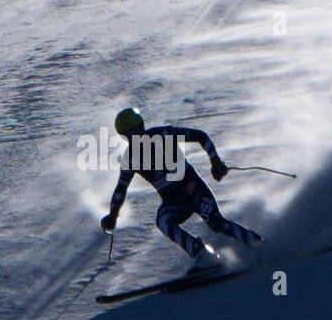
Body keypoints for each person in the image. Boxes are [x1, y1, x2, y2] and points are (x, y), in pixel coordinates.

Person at [100, 108, 262, 270]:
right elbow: (121, 188)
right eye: (127, 135)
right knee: (163, 220)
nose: (133, 137)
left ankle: (258, 244)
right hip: (174, 202)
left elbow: (200, 136)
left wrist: (215, 161)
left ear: (141, 126)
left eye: (134, 131)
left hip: (194, 191)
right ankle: (202, 254)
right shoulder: (130, 158)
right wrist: (112, 215)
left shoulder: (163, 134)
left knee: (216, 223)